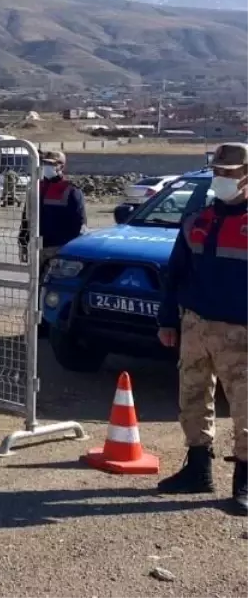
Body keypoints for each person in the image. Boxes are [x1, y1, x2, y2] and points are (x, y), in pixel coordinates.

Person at [156, 142, 248, 513]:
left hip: (240, 329)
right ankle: (197, 469)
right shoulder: (197, 219)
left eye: (231, 173)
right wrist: (167, 320)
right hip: (195, 324)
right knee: (192, 397)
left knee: (245, 408)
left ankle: (244, 481)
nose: (222, 179)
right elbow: (175, 272)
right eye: (218, 172)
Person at [18, 150, 86, 278]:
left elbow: (80, 223)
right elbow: (26, 217)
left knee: (55, 287)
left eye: (51, 164)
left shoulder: (71, 190)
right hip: (37, 247)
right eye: (44, 163)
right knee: (36, 285)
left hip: (59, 248)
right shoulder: (35, 188)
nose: (46, 166)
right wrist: (23, 242)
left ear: (61, 166)